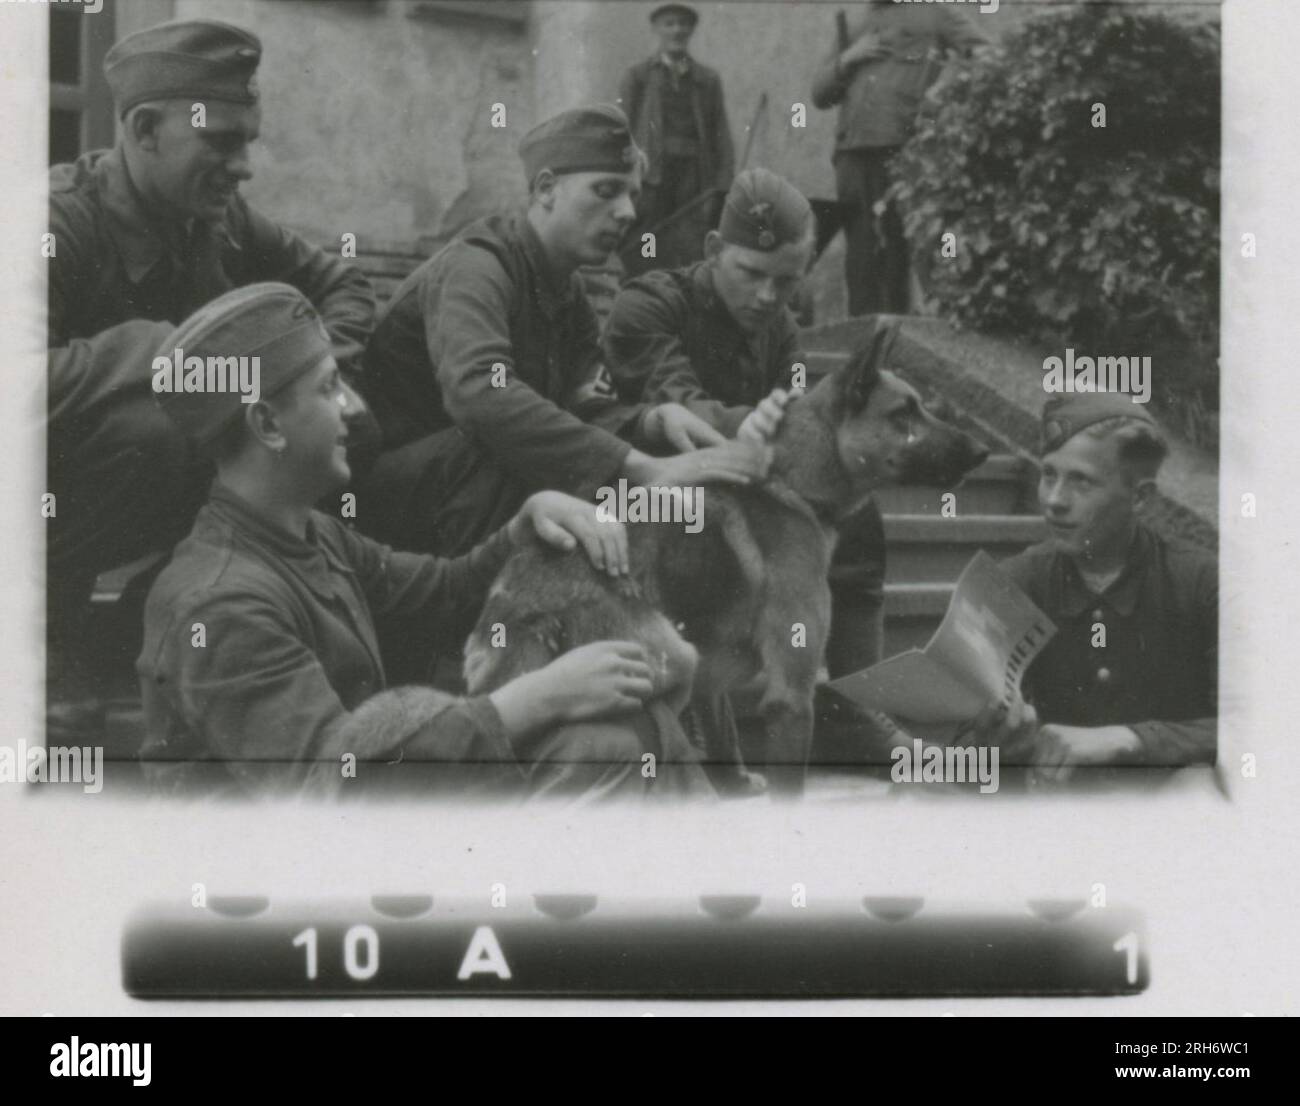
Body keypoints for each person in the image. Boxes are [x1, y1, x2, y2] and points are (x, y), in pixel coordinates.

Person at [138, 283, 716, 801]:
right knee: (602, 747)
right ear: (267, 425)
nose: (351, 408)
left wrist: (523, 527)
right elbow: (327, 781)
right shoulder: (218, 604)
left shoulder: (308, 533)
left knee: (617, 730)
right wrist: (540, 697)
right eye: (330, 388)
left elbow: (440, 591)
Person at [47, 18, 375, 721]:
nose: (244, 166)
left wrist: (319, 375)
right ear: (144, 130)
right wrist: (163, 350)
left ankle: (174, 610)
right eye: (222, 142)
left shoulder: (218, 220)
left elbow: (342, 284)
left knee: (331, 424)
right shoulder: (52, 226)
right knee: (157, 432)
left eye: (247, 141)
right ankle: (45, 636)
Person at [357, 104, 765, 569]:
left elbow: (583, 403)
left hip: (458, 492)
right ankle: (478, 606)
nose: (628, 212)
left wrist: (651, 421)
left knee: (629, 459)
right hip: (389, 504)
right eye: (606, 191)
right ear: (546, 189)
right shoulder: (477, 266)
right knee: (504, 445)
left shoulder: (566, 291)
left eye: (632, 195)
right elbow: (479, 395)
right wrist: (636, 465)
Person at [604, 167, 887, 680]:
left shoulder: (781, 329)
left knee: (858, 518)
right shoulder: (649, 305)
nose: (767, 296)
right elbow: (676, 401)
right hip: (650, 496)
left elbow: (800, 418)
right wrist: (753, 426)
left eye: (786, 281)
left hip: (738, 494)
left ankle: (855, 697)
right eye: (752, 273)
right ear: (713, 248)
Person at [960, 393, 1217, 782]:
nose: (1054, 501)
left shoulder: (1200, 582)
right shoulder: (1013, 583)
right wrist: (993, 742)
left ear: (1141, 498)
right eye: (1048, 475)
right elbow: (964, 738)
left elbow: (1257, 726)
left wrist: (1132, 738)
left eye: (1081, 481)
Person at [811, 1, 988, 315]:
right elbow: (819, 94)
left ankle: (924, 335)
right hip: (854, 155)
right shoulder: (853, 24)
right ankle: (867, 339)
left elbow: (984, 55)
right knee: (862, 262)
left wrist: (941, 98)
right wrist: (849, 58)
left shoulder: (935, 13)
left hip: (907, 151)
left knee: (917, 252)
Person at [617, 3, 735, 273]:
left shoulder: (707, 79)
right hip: (652, 176)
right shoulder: (638, 76)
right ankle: (644, 283)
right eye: (669, 24)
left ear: (692, 29)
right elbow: (623, 128)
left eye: (683, 24)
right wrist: (625, 175)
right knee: (648, 237)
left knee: (691, 240)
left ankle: (684, 287)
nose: (677, 30)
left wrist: (723, 181)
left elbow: (721, 134)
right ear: (656, 29)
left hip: (693, 176)